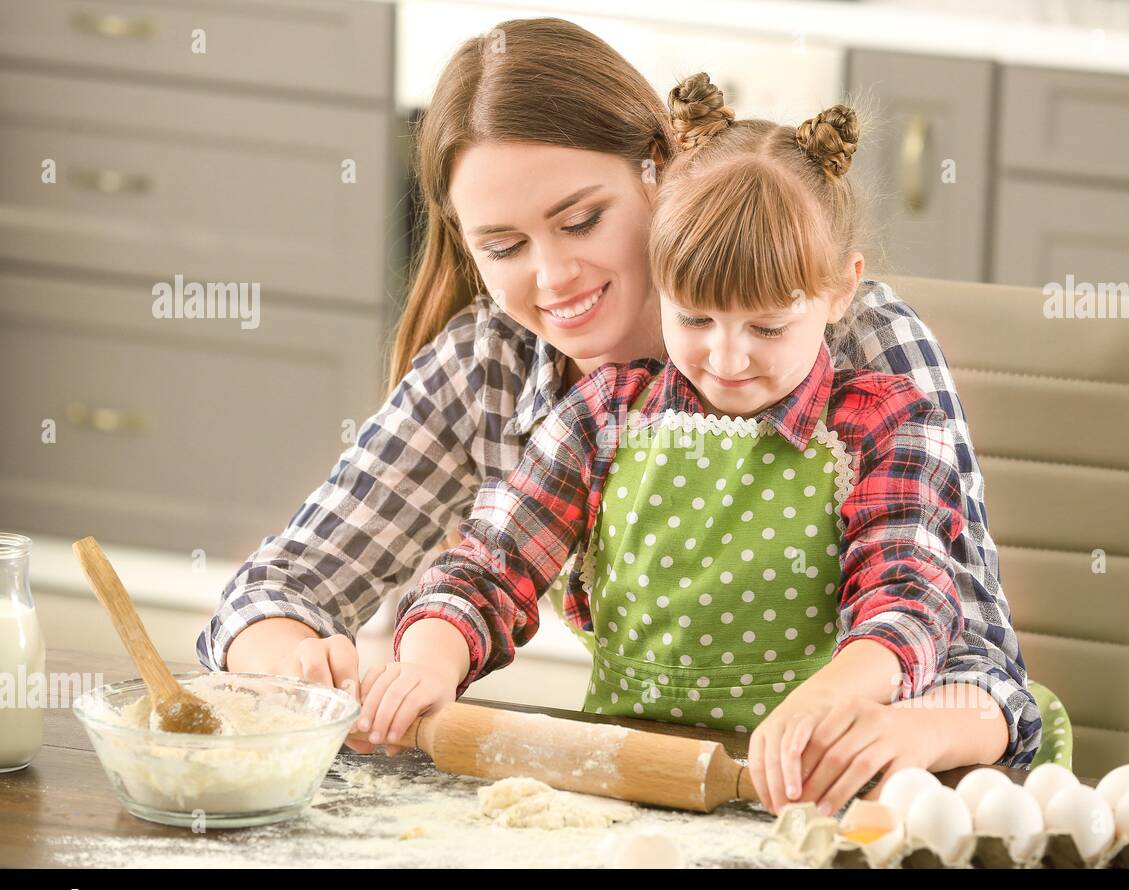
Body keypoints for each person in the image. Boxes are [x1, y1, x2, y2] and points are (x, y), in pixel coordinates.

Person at [196, 18, 1045, 781]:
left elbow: (974, 656)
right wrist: (305, 665)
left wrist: (873, 714)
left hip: (840, 791)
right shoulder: (498, 370)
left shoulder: (863, 348)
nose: (554, 277)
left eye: (581, 221)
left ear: (661, 173)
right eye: (504, 245)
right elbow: (289, 588)